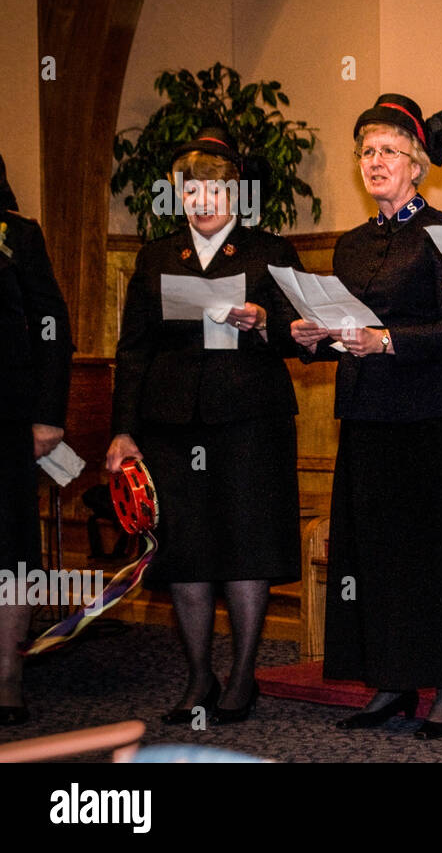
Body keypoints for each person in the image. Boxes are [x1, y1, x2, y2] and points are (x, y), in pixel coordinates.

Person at [292, 94, 442, 736]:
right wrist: (319, 338)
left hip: (431, 415)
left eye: (389, 152)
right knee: (376, 552)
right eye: (367, 153)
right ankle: (391, 680)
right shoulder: (351, 245)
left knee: (435, 552)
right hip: (367, 414)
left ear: (417, 165)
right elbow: (349, 323)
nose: (375, 163)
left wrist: (390, 342)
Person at [107, 128, 302, 724]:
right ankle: (198, 676)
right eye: (190, 189)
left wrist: (266, 320)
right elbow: (133, 349)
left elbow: (307, 331)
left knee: (247, 547)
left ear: (237, 194)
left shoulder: (271, 252)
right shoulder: (157, 256)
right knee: (186, 552)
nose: (202, 199)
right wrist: (122, 430)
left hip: (251, 419)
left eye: (214, 188)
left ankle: (242, 674)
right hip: (171, 425)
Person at [0, 152, 74, 725]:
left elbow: (52, 328)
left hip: (7, 417)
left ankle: (7, 678)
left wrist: (48, 415)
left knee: (10, 552)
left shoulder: (18, 236)